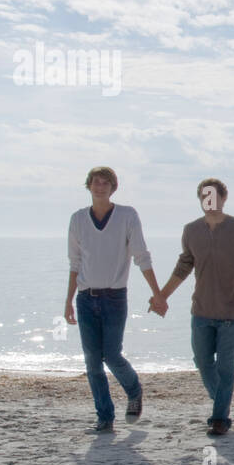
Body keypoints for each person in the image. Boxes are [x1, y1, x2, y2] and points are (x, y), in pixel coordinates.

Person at [159, 178, 234, 436]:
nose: (209, 201)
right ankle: (222, 401)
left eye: (214, 196)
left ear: (223, 198)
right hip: (202, 309)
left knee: (225, 366)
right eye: (204, 196)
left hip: (232, 310)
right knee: (203, 361)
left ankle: (219, 419)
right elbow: (184, 266)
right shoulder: (191, 230)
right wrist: (162, 296)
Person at [65, 166, 167, 433]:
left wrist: (157, 294)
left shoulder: (126, 215)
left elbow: (141, 256)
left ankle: (134, 391)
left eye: (106, 183)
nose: (100, 187)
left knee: (111, 355)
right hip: (86, 298)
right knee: (91, 361)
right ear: (88, 186)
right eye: (96, 182)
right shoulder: (77, 219)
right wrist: (68, 301)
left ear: (113, 188)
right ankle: (105, 416)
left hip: (114, 297)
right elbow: (75, 263)